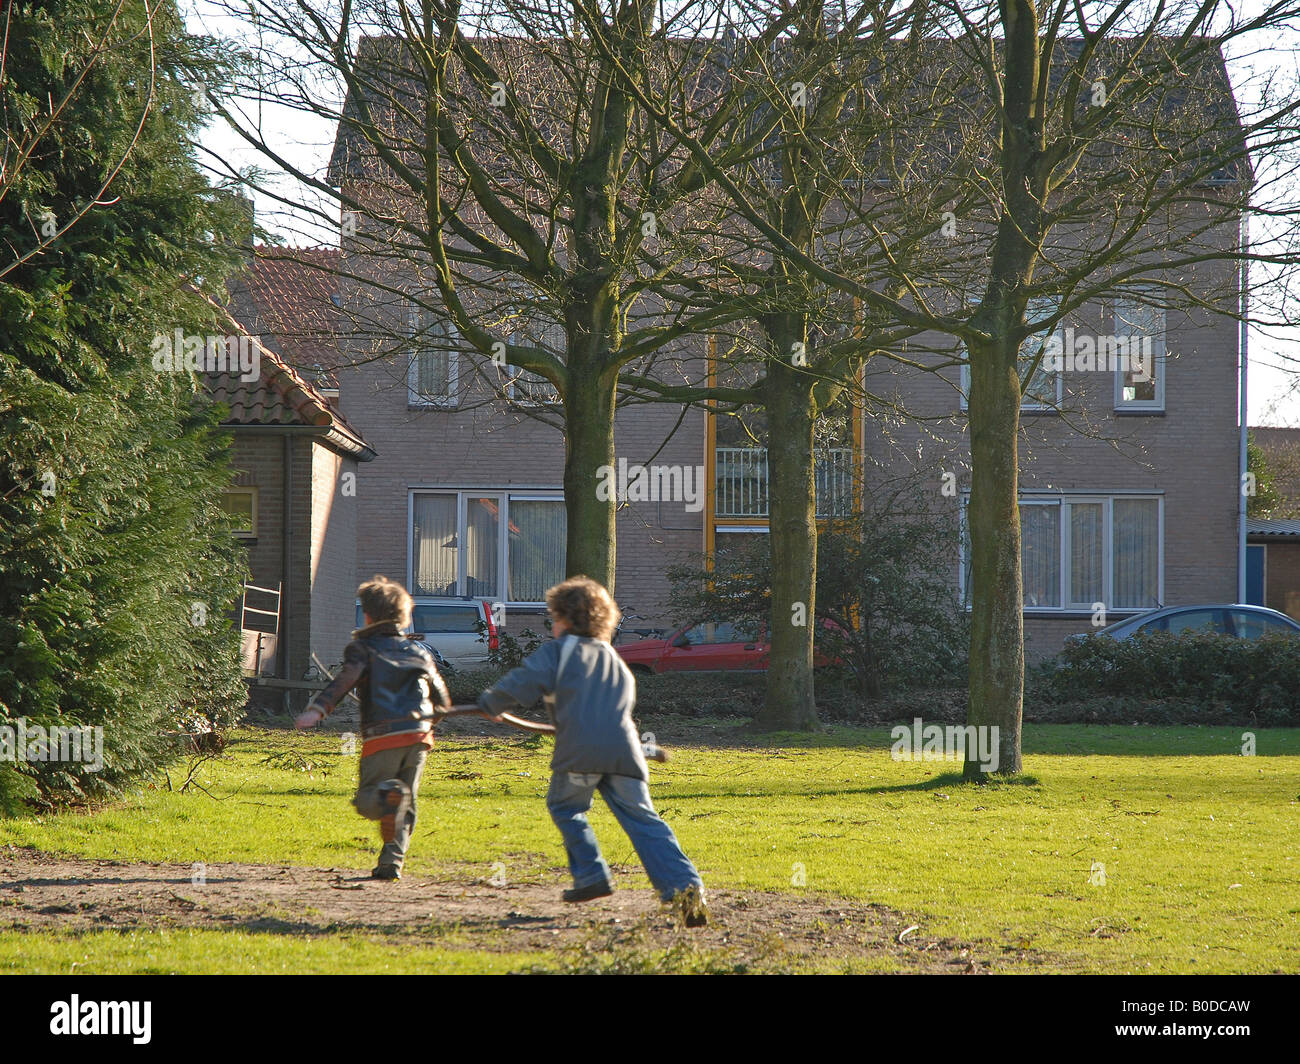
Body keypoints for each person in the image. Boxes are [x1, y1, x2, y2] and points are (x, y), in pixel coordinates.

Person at [477, 575, 708, 926]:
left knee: (566, 807)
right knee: (645, 820)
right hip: (624, 755)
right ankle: (686, 891)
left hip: (580, 753)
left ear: (567, 620)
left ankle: (590, 875)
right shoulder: (616, 662)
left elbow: (523, 680)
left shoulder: (559, 651)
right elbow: (615, 717)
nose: (553, 625)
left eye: (555, 618)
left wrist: (492, 701)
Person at [295, 575, 450, 881]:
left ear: (366, 614)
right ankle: (391, 863)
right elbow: (442, 701)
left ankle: (386, 794)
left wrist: (317, 709)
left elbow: (345, 680)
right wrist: (426, 724)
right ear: (403, 615)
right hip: (420, 736)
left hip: (383, 735)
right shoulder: (420, 652)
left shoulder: (362, 648)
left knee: (369, 800)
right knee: (407, 801)